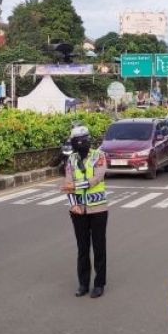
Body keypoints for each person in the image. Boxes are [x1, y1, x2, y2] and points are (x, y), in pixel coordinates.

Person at [60, 125, 108, 299]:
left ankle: (99, 283)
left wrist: (76, 185)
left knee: (99, 246)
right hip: (78, 210)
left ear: (88, 140)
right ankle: (83, 284)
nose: (80, 143)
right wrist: (73, 204)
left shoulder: (99, 156)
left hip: (98, 208)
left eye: (83, 140)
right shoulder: (71, 159)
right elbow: (67, 183)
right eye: (76, 141)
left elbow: (96, 178)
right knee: (82, 248)